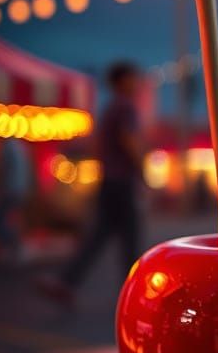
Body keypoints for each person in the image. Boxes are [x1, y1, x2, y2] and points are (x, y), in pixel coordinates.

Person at [39, 62, 145, 307]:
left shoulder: (109, 108)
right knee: (130, 240)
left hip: (109, 180)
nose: (138, 82)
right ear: (123, 81)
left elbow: (97, 147)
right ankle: (133, 296)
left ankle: (66, 282)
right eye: (133, 77)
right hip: (122, 182)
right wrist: (141, 169)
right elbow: (129, 140)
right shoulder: (125, 107)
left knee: (99, 235)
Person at [0, 137, 32, 262]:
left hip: (9, 190)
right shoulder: (20, 147)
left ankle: (11, 245)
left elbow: (2, 171)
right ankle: (11, 247)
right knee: (6, 220)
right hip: (18, 189)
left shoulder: (7, 149)